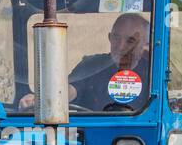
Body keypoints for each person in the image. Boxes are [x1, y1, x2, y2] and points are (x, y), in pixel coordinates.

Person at [19, 12, 150, 111]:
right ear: (109, 38)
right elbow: (69, 90)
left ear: (144, 44)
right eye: (116, 37)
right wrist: (44, 99)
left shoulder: (152, 71)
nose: (121, 46)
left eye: (131, 41)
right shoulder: (93, 64)